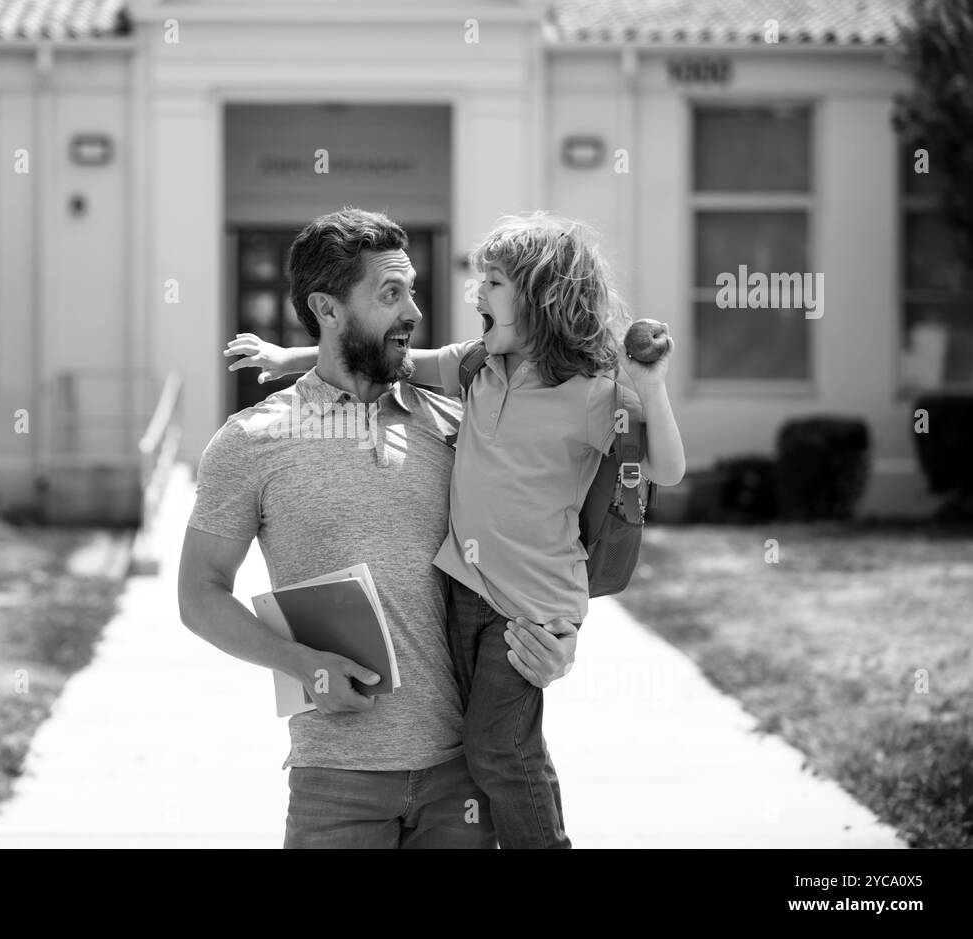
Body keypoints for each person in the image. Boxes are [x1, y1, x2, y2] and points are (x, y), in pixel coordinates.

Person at [225, 211, 687, 848]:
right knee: (489, 741)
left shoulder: (582, 395)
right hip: (465, 599)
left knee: (498, 746)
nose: (472, 296)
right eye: (391, 293)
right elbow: (403, 360)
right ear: (327, 307)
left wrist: (651, 388)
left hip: (527, 609)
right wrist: (288, 356)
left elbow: (662, 467)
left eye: (492, 283)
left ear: (541, 297)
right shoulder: (476, 373)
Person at [178, 208, 577, 849]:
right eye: (391, 294)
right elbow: (199, 594)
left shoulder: (462, 425)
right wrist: (301, 664)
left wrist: (556, 640)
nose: (414, 311)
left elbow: (539, 542)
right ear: (327, 308)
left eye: (412, 290)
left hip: (460, 781)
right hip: (334, 782)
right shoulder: (251, 440)